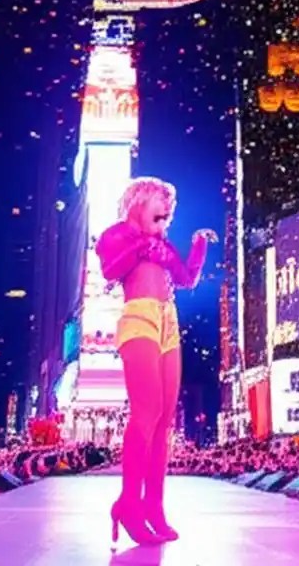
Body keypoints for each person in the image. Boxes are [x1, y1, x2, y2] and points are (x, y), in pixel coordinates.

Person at [95, 176, 214, 545]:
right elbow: (111, 269)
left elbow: (187, 279)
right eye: (160, 209)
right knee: (146, 412)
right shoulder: (116, 234)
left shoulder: (160, 243)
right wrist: (146, 245)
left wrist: (197, 248)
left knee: (164, 421)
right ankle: (129, 502)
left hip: (169, 321)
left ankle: (154, 507)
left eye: (168, 214)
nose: (165, 220)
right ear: (138, 202)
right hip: (139, 317)